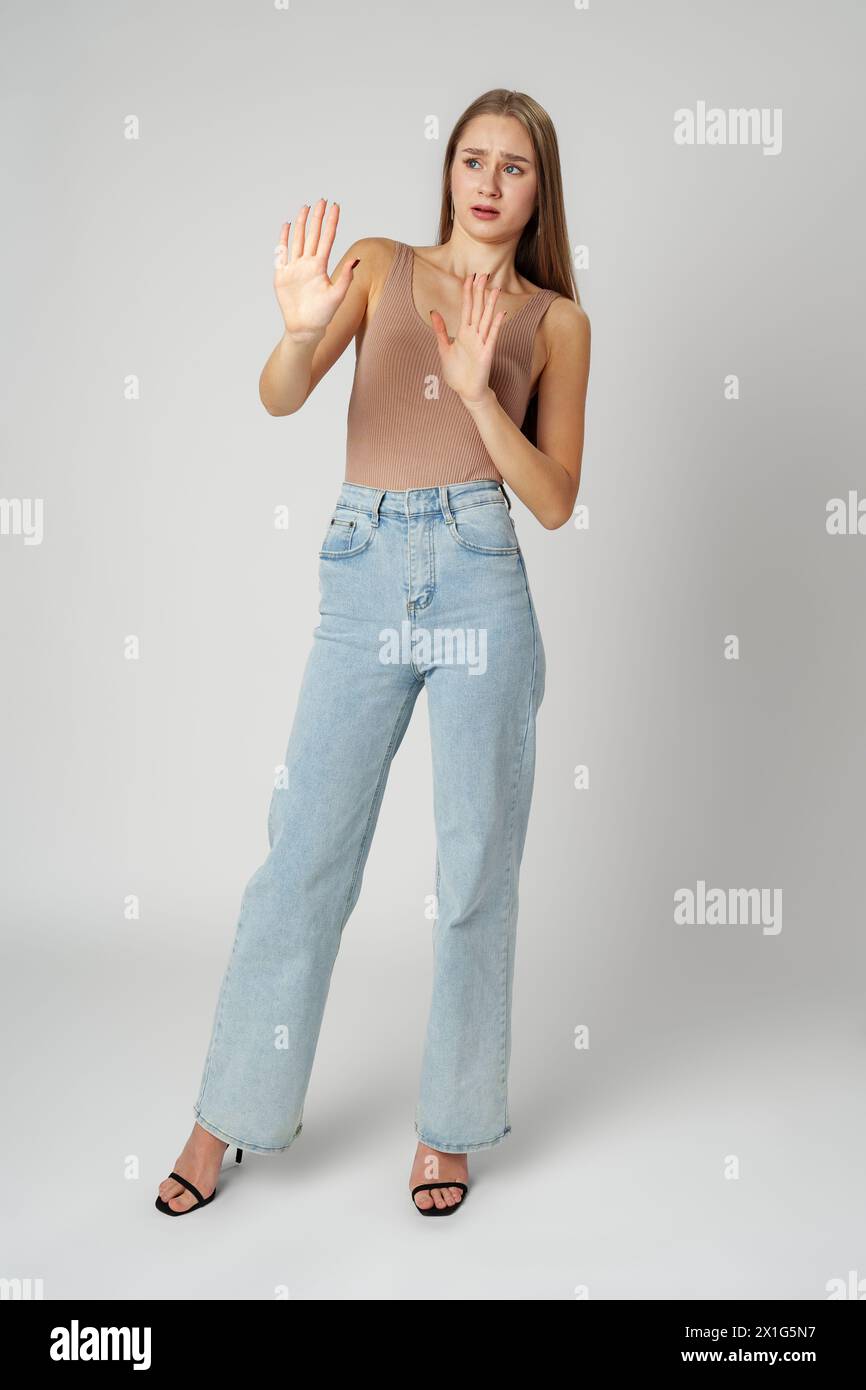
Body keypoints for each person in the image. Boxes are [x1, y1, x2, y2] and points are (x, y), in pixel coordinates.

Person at [156, 87, 590, 1218]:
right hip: (364, 564)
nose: (488, 183)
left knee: (472, 869)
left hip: (480, 566)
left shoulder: (556, 322)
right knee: (301, 855)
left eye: (514, 167)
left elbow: (552, 498)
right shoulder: (382, 264)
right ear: (447, 171)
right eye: (471, 160)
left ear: (539, 190)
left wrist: (483, 392)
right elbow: (279, 396)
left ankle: (447, 1128)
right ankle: (226, 1116)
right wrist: (300, 330)